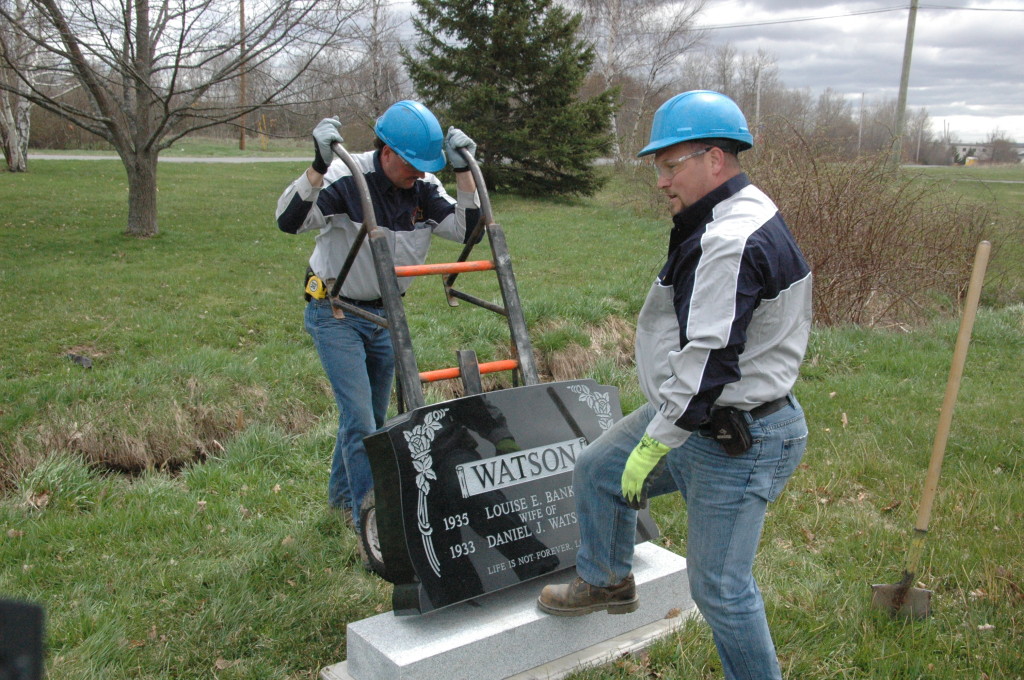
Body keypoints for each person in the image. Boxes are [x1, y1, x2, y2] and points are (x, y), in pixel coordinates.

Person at [536, 90, 813, 680]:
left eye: (670, 164)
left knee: (719, 589)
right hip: (699, 415)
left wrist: (656, 441)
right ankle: (606, 578)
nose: (660, 180)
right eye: (656, 166)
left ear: (715, 158)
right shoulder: (729, 213)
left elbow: (710, 363)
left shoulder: (732, 238)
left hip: (735, 435)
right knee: (597, 469)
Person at [275, 100, 481, 534]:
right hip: (335, 309)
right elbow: (288, 221)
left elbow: (471, 230)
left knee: (367, 415)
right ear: (387, 152)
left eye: (428, 165)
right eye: (413, 164)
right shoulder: (345, 178)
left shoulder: (425, 188)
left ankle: (342, 499)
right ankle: (372, 520)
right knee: (362, 421)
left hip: (386, 312)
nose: (421, 173)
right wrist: (316, 165)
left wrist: (464, 171)